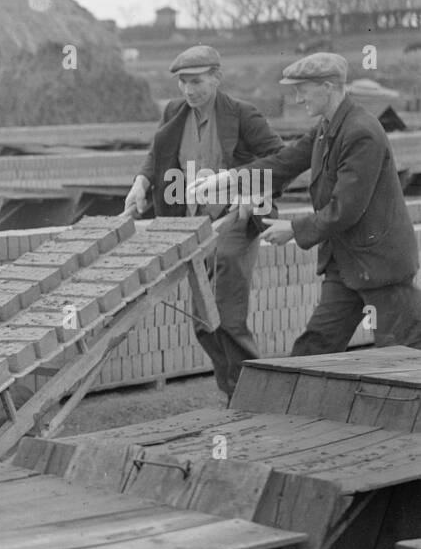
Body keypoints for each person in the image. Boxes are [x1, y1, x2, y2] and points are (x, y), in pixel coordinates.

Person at [191, 52, 421, 356]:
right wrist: (227, 179)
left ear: (327, 87)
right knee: (314, 349)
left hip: (381, 267)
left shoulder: (361, 132)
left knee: (401, 356)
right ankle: (288, 405)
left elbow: (345, 209)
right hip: (346, 264)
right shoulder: (327, 127)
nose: (297, 99)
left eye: (302, 89)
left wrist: (293, 228)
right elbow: (285, 161)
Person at [124, 45, 285, 397]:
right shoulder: (175, 111)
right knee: (204, 324)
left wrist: (251, 190)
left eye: (196, 81)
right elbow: (158, 152)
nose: (188, 90)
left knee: (227, 320)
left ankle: (254, 394)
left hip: (233, 225)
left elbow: (280, 158)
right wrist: (142, 182)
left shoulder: (242, 115)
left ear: (217, 78)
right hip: (193, 227)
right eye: (182, 82)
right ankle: (235, 394)